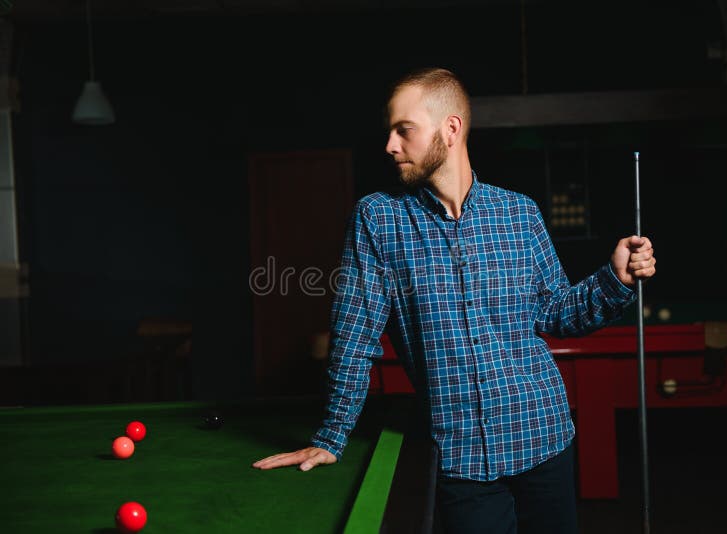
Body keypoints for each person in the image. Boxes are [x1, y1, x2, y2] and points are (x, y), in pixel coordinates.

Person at [252, 68, 656, 533]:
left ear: (450, 128)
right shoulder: (378, 220)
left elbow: (556, 311)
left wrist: (614, 279)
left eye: (404, 130)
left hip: (544, 437)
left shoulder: (518, 212)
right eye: (389, 131)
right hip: (461, 460)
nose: (390, 145)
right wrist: (332, 435)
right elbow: (354, 336)